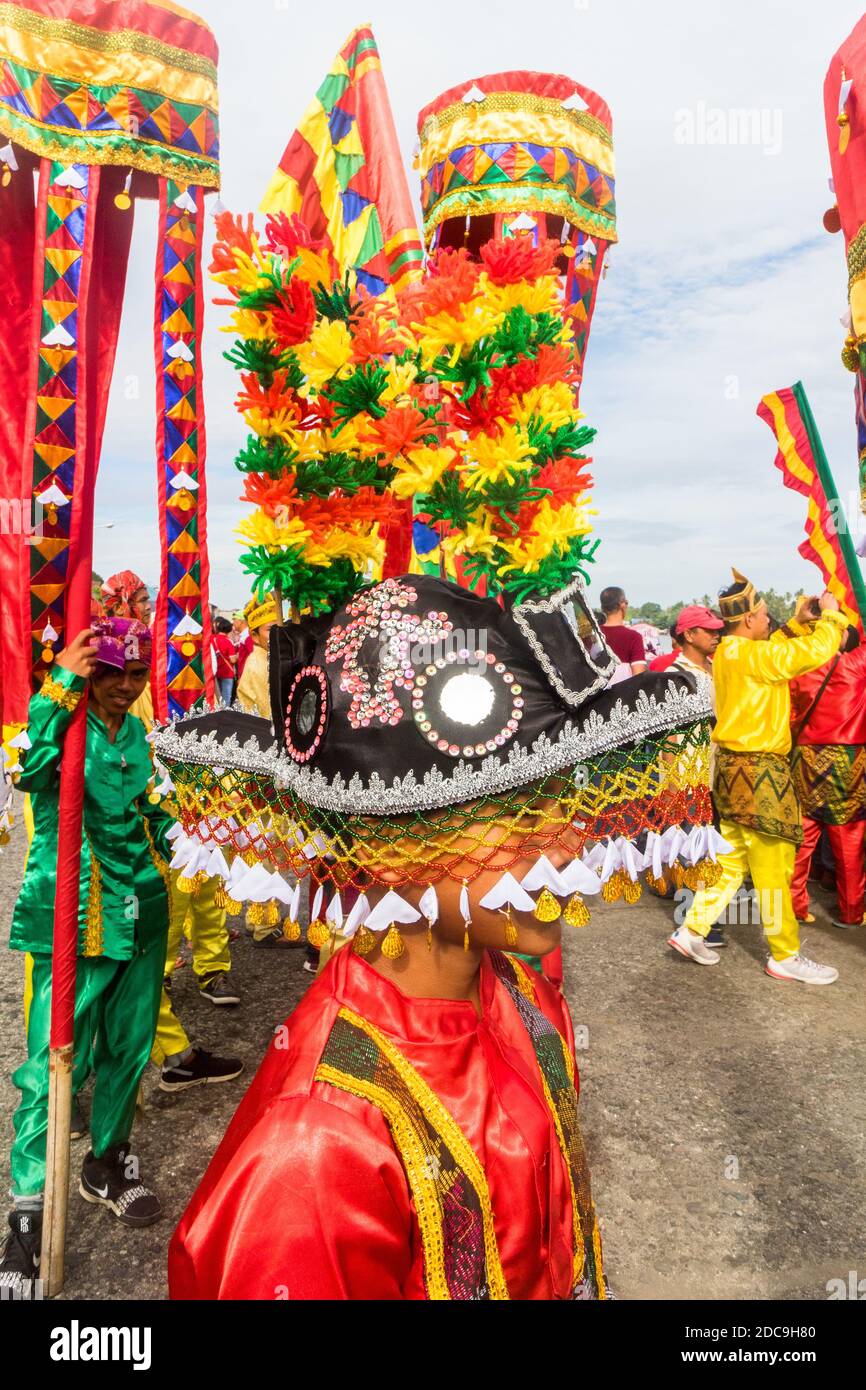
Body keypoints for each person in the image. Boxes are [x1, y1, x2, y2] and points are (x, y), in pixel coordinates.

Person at [1, 620, 172, 1296]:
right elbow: (31, 771)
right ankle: (25, 1213)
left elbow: (153, 807)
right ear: (87, 673)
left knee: (128, 1050)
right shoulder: (63, 719)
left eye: (135, 675)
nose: (125, 689)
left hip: (144, 906)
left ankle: (107, 1160)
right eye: (111, 675)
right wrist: (61, 686)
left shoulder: (135, 730)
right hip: (77, 914)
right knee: (51, 1062)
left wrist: (192, 830)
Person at [669, 571, 847, 983]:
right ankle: (784, 954)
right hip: (761, 773)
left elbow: (774, 653)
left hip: (732, 773)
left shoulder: (730, 653)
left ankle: (693, 929)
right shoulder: (753, 656)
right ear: (748, 620)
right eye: (765, 615)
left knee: (732, 862)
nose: (769, 621)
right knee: (773, 869)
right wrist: (831, 619)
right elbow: (814, 653)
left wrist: (795, 623)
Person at [789, 623, 866, 930]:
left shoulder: (801, 669)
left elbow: (792, 716)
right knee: (848, 839)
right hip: (848, 759)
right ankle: (851, 912)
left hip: (807, 757)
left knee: (803, 836)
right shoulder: (857, 663)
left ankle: (794, 906)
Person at [236, 596, 276, 718]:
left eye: (281, 626)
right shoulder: (257, 665)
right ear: (254, 636)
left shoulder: (272, 657)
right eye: (271, 629)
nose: (279, 633)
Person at [670, 605, 724, 685]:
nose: (717, 635)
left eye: (716, 631)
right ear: (688, 635)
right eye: (709, 630)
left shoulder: (717, 666)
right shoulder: (674, 676)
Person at [599, 586, 647, 675]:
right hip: (625, 688)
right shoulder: (633, 637)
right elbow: (638, 675)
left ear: (602, 607)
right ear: (622, 604)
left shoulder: (593, 635)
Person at [213, 617, 237, 707]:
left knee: (218, 698)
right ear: (229, 629)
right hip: (227, 673)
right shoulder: (228, 641)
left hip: (216, 672)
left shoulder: (212, 639)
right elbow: (233, 659)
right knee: (226, 698)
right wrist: (238, 654)